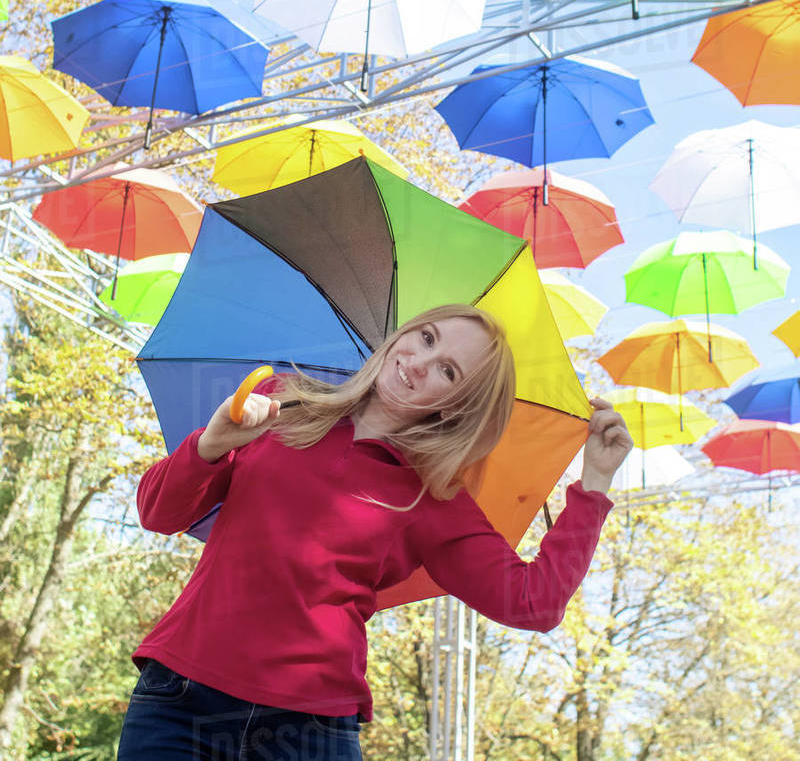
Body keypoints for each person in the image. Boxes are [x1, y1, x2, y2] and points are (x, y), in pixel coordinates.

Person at [118, 303, 632, 761]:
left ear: (453, 405)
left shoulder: (432, 497)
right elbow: (157, 512)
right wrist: (211, 443)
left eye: (447, 371)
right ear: (403, 332)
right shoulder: (279, 404)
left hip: (310, 730)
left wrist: (596, 481)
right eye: (426, 338)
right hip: (180, 700)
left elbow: (534, 602)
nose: (418, 364)